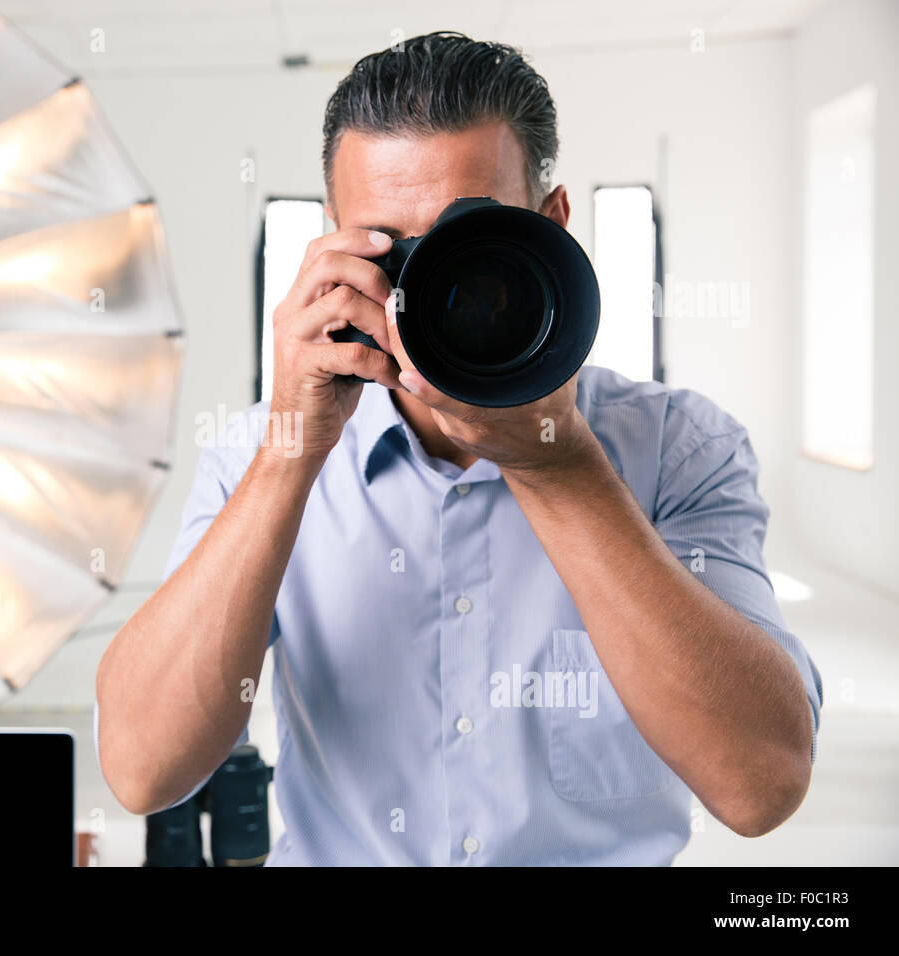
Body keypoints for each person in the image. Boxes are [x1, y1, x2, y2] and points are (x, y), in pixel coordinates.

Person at [95, 31, 822, 866]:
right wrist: (291, 455)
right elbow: (142, 771)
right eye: (391, 250)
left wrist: (558, 465)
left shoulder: (680, 449)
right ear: (334, 247)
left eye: (468, 244)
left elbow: (761, 784)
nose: (433, 289)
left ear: (550, 229)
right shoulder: (260, 456)